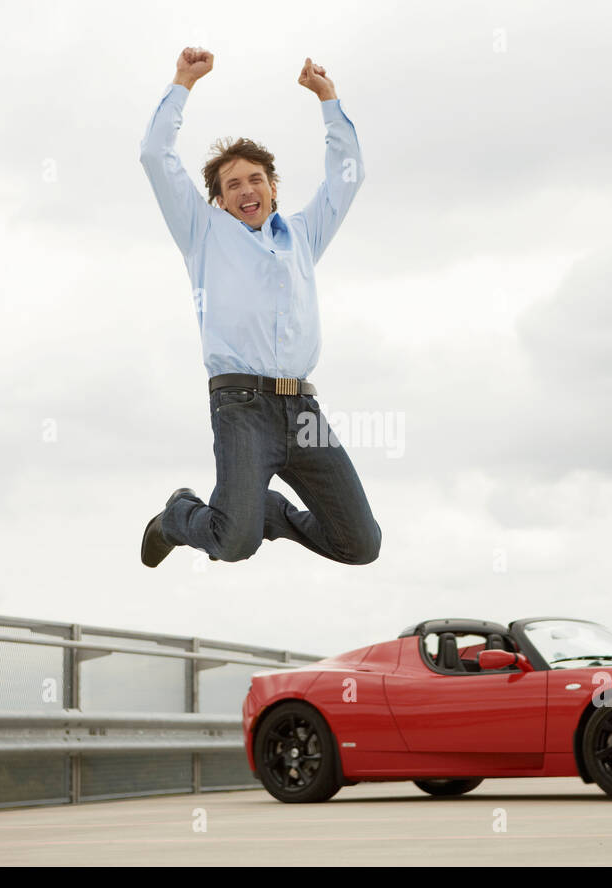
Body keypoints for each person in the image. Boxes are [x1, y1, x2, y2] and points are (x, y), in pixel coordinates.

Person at [137, 47, 382, 568]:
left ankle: (261, 511)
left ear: (273, 187)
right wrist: (183, 82)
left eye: (255, 179)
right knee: (233, 542)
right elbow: (156, 156)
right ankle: (179, 515)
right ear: (219, 201)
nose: (246, 190)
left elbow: (348, 175)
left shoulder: (302, 235)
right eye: (233, 185)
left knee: (360, 544)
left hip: (302, 411)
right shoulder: (203, 233)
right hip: (242, 408)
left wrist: (328, 99)